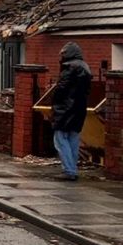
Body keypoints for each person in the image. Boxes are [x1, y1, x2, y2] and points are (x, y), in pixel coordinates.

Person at [51, 42, 92, 181]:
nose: (61, 55)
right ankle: (72, 168)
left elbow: (62, 88)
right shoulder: (85, 67)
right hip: (79, 108)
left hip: (65, 108)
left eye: (63, 53)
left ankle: (69, 170)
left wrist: (54, 101)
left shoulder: (70, 67)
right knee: (73, 139)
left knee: (60, 139)